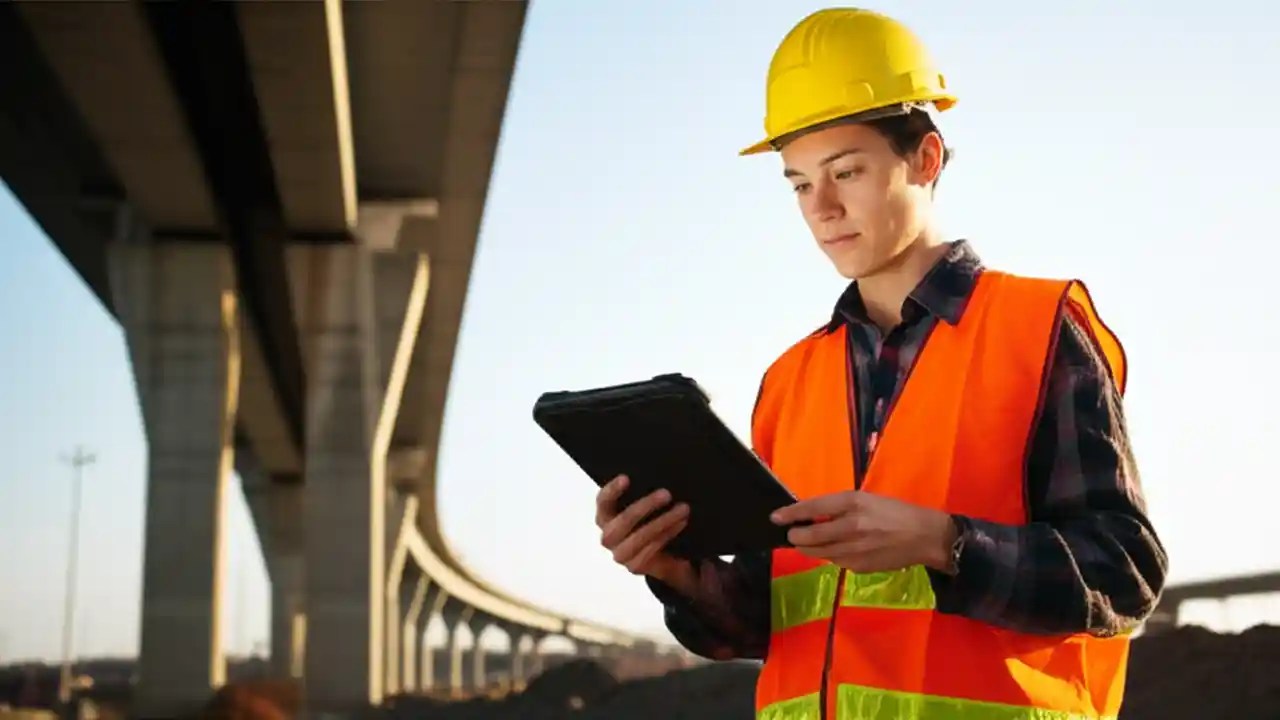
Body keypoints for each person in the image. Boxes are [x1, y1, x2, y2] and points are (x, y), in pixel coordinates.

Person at [591, 7, 1168, 720]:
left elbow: (1126, 572)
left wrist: (944, 542)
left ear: (925, 159)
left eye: (846, 171)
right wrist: (679, 573)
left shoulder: (1039, 330)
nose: (822, 208)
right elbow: (772, 623)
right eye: (799, 184)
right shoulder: (790, 382)